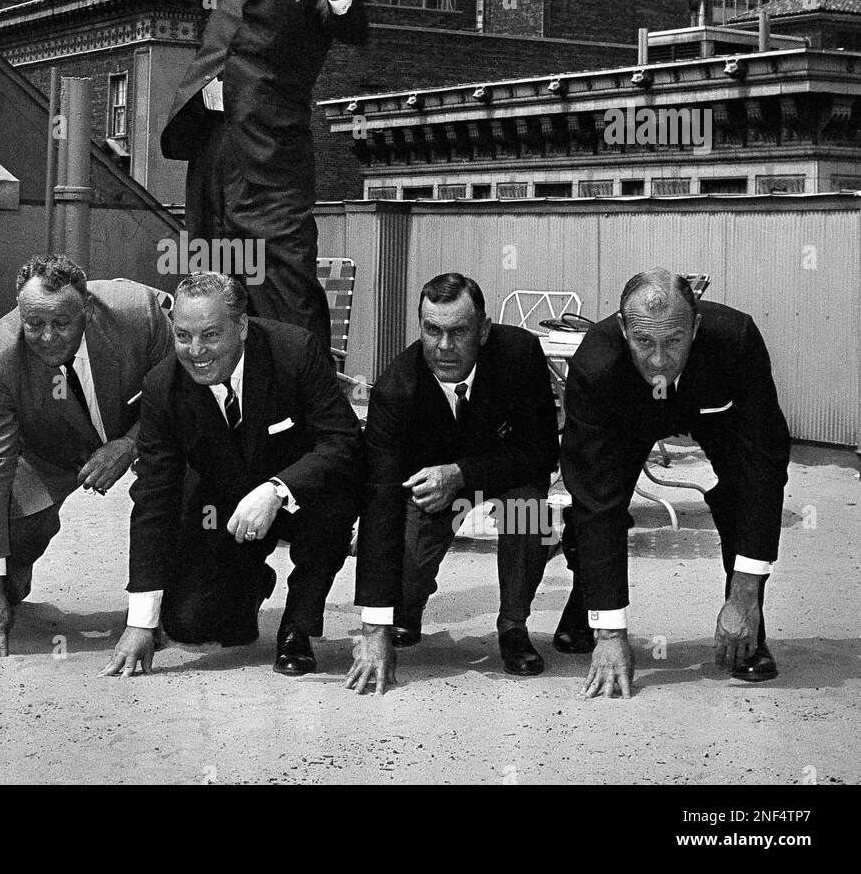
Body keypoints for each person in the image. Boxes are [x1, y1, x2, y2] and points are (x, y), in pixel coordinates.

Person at [160, 0, 369, 352]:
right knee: (210, 285)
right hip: (211, 155)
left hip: (271, 170)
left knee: (284, 292)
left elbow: (349, 24)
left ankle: (309, 399)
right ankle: (219, 398)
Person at [102, 272, 362, 679]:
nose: (196, 351)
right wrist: (140, 620)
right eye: (183, 336)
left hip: (303, 494)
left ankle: (298, 625)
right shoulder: (161, 387)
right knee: (188, 624)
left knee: (334, 500)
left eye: (210, 335)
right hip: (223, 506)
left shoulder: (295, 351)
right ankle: (252, 581)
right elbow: (154, 497)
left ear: (241, 326)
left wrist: (277, 490)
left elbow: (341, 442)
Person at [559, 268, 791, 698]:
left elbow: (765, 467)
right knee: (593, 500)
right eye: (644, 341)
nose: (660, 360)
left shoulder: (735, 339)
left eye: (675, 340)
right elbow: (595, 498)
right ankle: (588, 605)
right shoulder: (594, 365)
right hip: (627, 413)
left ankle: (747, 624)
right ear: (623, 328)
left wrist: (745, 594)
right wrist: (611, 633)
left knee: (743, 489)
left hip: (708, 407)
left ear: (697, 326)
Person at [346, 274, 560, 695]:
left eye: (458, 331)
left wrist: (461, 473)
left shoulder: (520, 355)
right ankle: (408, 607)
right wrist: (374, 627)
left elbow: (541, 454)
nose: (444, 347)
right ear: (420, 328)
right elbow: (380, 499)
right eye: (433, 330)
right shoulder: (396, 388)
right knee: (404, 563)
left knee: (528, 509)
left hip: (505, 476)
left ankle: (514, 626)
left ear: (483, 330)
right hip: (429, 487)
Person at [0, 255, 174, 656]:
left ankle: (169, 596)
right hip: (51, 450)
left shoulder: (138, 315)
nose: (47, 337)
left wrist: (130, 444)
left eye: (61, 323)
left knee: (175, 488)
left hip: (144, 433)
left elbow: (181, 395)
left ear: (88, 311)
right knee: (7, 505)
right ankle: (13, 576)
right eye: (34, 324)